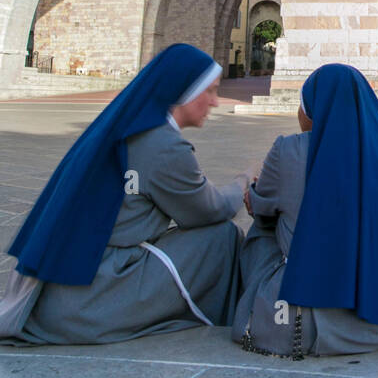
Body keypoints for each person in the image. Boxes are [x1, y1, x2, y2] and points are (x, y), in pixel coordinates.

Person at [0, 43, 249, 345]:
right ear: (184, 91)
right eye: (209, 91)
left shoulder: (126, 122)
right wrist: (242, 183)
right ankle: (234, 323)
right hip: (90, 296)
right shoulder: (162, 143)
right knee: (221, 237)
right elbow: (206, 210)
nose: (215, 102)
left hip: (54, 284)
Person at [232, 62, 378, 358]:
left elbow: (260, 208)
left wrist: (252, 189)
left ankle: (253, 309)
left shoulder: (288, 149)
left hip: (299, 323)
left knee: (261, 231)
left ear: (311, 108)